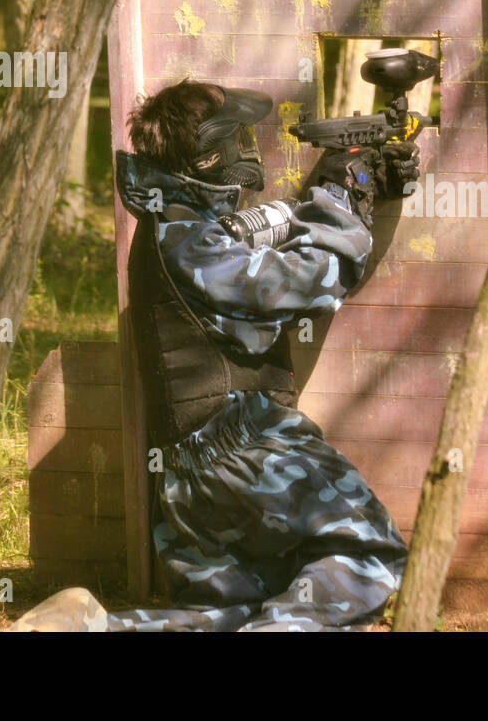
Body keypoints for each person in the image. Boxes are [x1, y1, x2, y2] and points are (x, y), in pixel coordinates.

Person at [40, 79, 416, 632]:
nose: (249, 148)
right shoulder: (188, 240)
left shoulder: (180, 223)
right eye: (239, 136)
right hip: (244, 449)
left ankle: (90, 630)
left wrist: (355, 180)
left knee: (230, 616)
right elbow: (312, 281)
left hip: (192, 477)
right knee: (369, 560)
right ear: (211, 153)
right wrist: (342, 199)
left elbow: (259, 233)